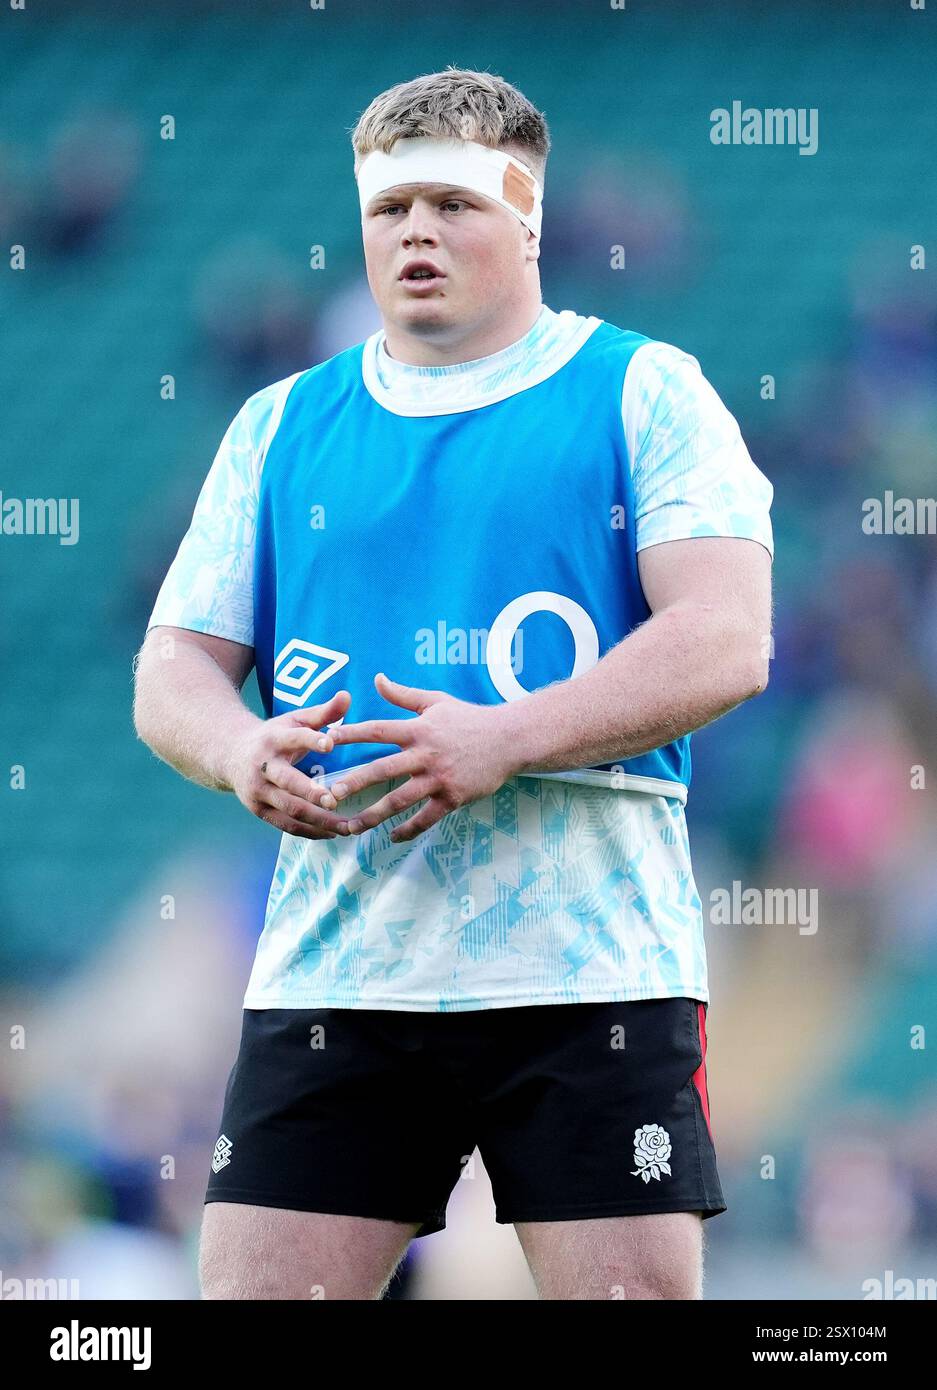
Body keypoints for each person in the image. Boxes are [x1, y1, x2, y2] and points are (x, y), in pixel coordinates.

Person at [132, 67, 774, 1301]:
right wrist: (235, 750)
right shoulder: (279, 425)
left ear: (527, 218)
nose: (414, 232)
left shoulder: (644, 390)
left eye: (449, 203)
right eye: (390, 209)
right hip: (337, 973)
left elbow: (727, 637)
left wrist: (510, 738)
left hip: (591, 974)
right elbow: (175, 667)